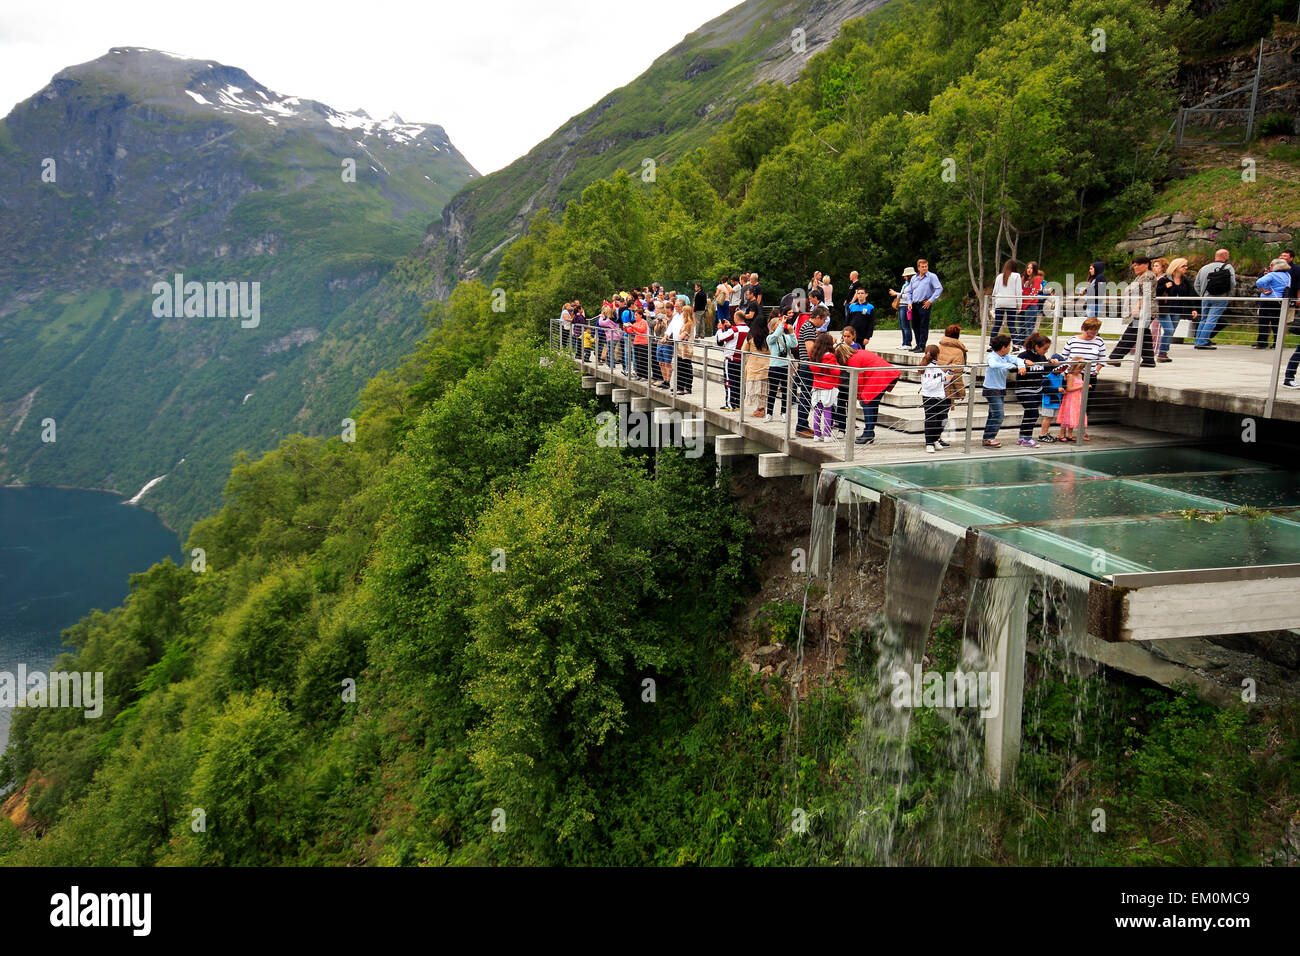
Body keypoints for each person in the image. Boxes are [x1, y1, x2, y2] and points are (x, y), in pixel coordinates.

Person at [842, 338, 900, 445]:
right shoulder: (859, 352)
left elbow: (858, 380)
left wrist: (859, 397)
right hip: (886, 373)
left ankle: (868, 433)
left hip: (880, 376)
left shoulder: (852, 360)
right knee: (872, 404)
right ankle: (869, 432)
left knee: (867, 403)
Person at [1109, 256, 1156, 367]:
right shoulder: (1140, 277)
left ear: (1146, 264)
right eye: (1134, 265)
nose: (1135, 267)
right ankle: (1149, 360)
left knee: (1131, 333)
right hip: (1142, 310)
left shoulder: (1147, 276)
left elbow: (1146, 294)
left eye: (1138, 264)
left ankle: (1116, 357)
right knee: (1143, 334)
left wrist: (1138, 307)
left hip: (1145, 310)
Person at [981, 333, 1024, 448]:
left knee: (993, 414)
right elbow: (993, 365)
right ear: (1003, 347)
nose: (1010, 348)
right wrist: (1010, 366)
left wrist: (1021, 365)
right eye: (1009, 346)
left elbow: (1018, 359)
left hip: (1000, 389)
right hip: (991, 389)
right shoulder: (992, 356)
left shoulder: (1005, 357)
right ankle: (989, 437)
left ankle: (987, 437)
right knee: (999, 414)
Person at [1014, 333, 1054, 447]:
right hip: (1024, 390)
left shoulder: (1042, 357)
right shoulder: (1023, 355)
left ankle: (1022, 437)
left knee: (1029, 413)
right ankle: (1027, 438)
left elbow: (1044, 372)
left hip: (1037, 390)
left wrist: (1051, 364)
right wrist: (1023, 364)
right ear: (1036, 346)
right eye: (1044, 348)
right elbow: (1014, 368)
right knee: (1033, 412)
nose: (1046, 351)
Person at [1155, 257, 1197, 362]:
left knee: (1171, 331)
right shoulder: (1165, 279)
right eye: (1183, 266)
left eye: (1186, 266)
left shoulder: (1185, 281)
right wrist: (1165, 286)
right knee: (1169, 330)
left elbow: (1189, 295)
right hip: (1164, 309)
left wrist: (1193, 308)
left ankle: (1163, 353)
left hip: (1177, 309)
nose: (1186, 268)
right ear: (1176, 267)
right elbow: (1155, 292)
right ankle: (1162, 353)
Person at [794, 305, 826, 438]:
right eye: (823, 320)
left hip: (806, 365)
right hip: (807, 366)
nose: (824, 323)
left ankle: (804, 424)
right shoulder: (808, 328)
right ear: (817, 317)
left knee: (806, 396)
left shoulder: (810, 327)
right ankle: (801, 426)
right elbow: (810, 350)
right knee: (806, 396)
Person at [1193, 249, 1235, 349]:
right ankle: (1202, 342)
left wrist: (1202, 295)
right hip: (1220, 297)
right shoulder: (1228, 267)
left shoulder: (1204, 268)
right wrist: (1227, 295)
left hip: (1205, 298)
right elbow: (1232, 283)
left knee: (1204, 319)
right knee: (1212, 319)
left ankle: (1198, 340)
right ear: (1225, 256)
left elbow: (1196, 285)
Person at [919, 346, 952, 453]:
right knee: (931, 420)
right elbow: (928, 385)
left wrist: (950, 372)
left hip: (941, 396)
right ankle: (929, 442)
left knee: (943, 419)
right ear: (937, 354)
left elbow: (944, 381)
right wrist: (942, 378)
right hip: (929, 397)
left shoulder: (936, 367)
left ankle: (935, 439)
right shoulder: (927, 367)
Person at [809, 332, 841, 442]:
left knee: (817, 410)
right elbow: (835, 372)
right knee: (828, 409)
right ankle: (827, 434)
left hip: (817, 385)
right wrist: (838, 365)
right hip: (828, 386)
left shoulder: (814, 354)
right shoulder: (830, 356)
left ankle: (817, 434)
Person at [906, 259, 943, 352]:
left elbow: (939, 288)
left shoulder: (931, 277)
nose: (924, 268)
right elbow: (909, 291)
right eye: (922, 267)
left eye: (926, 266)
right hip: (914, 304)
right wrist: (909, 302)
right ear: (918, 268)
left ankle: (922, 345)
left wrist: (930, 300)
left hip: (924, 304)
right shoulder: (914, 278)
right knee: (915, 325)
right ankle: (918, 344)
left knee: (923, 325)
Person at [766, 309, 797, 420]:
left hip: (785, 366)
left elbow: (794, 344)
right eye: (778, 325)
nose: (781, 326)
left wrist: (792, 332)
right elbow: (775, 336)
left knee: (785, 391)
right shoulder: (770, 338)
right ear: (774, 326)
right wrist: (781, 324)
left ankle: (783, 412)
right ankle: (769, 413)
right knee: (772, 391)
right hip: (774, 366)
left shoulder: (786, 337)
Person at [1255, 257, 1292, 349]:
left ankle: (1262, 343)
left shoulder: (1272, 275)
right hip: (1280, 301)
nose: (1270, 266)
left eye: (1271, 265)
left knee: (1264, 322)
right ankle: (1277, 343)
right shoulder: (1287, 275)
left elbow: (1259, 282)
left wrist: (1263, 290)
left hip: (1268, 300)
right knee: (1277, 323)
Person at [743, 317, 770, 418]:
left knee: (755, 389)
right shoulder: (768, 336)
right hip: (767, 365)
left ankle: (760, 409)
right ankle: (762, 408)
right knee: (764, 389)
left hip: (753, 365)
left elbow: (743, 350)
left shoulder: (750, 337)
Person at [1038, 355, 1066, 443]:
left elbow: (1061, 385)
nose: (1061, 370)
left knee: (1050, 418)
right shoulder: (1047, 376)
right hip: (1048, 401)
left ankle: (1046, 433)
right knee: (1047, 418)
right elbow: (1044, 389)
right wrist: (1057, 390)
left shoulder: (1060, 376)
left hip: (1056, 401)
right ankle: (1042, 434)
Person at [1057, 362, 1088, 442]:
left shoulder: (1080, 375)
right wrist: (1082, 386)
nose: (1080, 370)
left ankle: (1070, 434)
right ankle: (1062, 434)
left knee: (1074, 415)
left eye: (1082, 369)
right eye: (1079, 369)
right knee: (1068, 414)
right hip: (1071, 397)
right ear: (1074, 368)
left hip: (1078, 397)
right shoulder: (1070, 376)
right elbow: (1069, 389)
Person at [992, 259, 1022, 342]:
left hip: (999, 302)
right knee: (1011, 324)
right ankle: (1016, 344)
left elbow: (995, 291)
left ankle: (991, 344)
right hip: (1011, 303)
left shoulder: (999, 276)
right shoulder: (1016, 276)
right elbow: (1018, 291)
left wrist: (994, 306)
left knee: (997, 324)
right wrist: (1019, 305)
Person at [889, 267, 917, 349]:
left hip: (905, 306)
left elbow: (909, 296)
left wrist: (896, 294)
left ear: (910, 276)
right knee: (902, 325)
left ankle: (908, 343)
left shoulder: (913, 285)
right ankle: (904, 343)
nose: (904, 277)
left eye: (906, 276)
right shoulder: (905, 284)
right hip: (901, 306)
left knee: (906, 325)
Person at [1020, 262, 1044, 340]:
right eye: (1028, 268)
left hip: (1031, 306)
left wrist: (1026, 302)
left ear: (1034, 269)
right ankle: (1020, 345)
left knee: (1029, 328)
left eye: (1031, 268)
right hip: (1021, 306)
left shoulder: (1037, 278)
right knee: (1021, 327)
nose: (1029, 270)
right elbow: (1019, 290)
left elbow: (1034, 292)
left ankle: (1027, 347)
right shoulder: (1023, 278)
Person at [675, 305, 695, 394]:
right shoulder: (686, 323)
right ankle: (680, 387)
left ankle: (686, 387)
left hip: (686, 349)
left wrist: (679, 336)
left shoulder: (689, 324)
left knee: (685, 368)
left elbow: (681, 336)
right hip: (681, 349)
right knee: (681, 368)